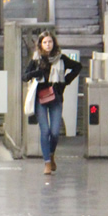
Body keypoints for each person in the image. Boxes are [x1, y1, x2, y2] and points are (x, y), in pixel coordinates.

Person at [23, 31, 81, 175]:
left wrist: (65, 81)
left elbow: (77, 66)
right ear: (40, 44)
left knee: (55, 132)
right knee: (45, 131)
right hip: (40, 99)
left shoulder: (61, 59)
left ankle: (51, 153)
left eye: (50, 42)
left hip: (55, 98)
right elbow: (24, 76)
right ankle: (47, 163)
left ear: (54, 43)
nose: (48, 45)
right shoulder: (36, 60)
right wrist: (35, 74)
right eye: (45, 42)